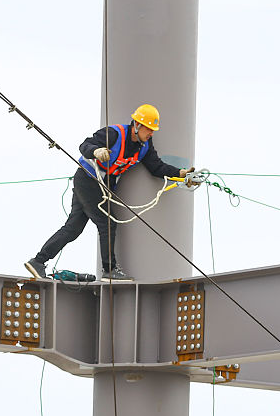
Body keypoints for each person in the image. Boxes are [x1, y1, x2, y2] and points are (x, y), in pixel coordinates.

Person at [25, 104, 197, 282]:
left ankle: (38, 261)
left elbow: (156, 167)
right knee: (106, 222)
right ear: (137, 125)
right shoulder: (113, 134)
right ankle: (109, 270)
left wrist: (180, 174)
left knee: (73, 228)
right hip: (87, 179)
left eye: (153, 130)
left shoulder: (144, 146)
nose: (151, 133)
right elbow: (85, 145)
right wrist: (96, 151)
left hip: (98, 185)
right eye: (149, 129)